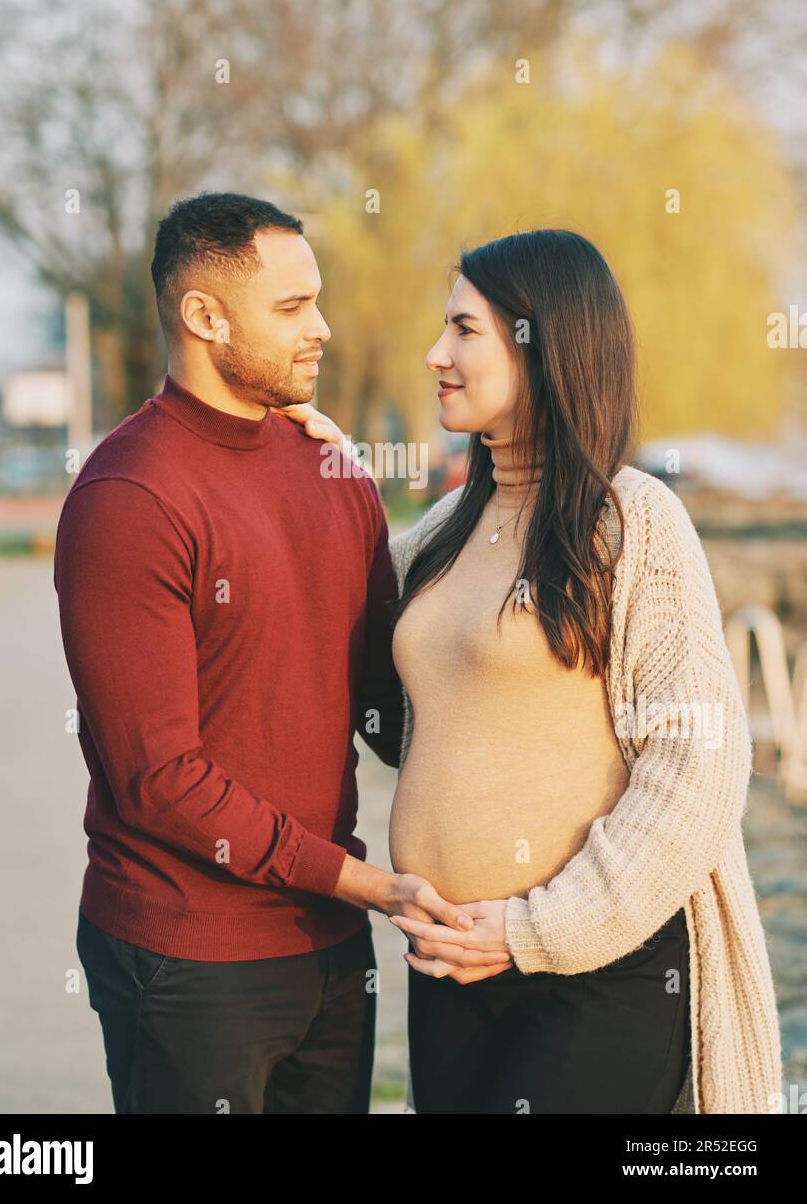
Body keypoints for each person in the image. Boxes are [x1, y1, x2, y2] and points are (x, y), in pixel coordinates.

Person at [291, 227, 783, 1114]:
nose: (435, 355)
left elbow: (698, 770)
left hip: (590, 979)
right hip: (449, 971)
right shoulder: (442, 532)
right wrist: (317, 475)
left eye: (464, 330)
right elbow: (359, 662)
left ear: (540, 342)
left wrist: (531, 931)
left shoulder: (630, 524)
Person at [55, 192, 502, 1115]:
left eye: (318, 302)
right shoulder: (128, 497)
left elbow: (386, 711)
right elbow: (161, 779)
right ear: (204, 316)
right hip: (189, 961)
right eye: (292, 309)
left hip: (330, 952)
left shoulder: (333, 471)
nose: (323, 330)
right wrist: (365, 883)